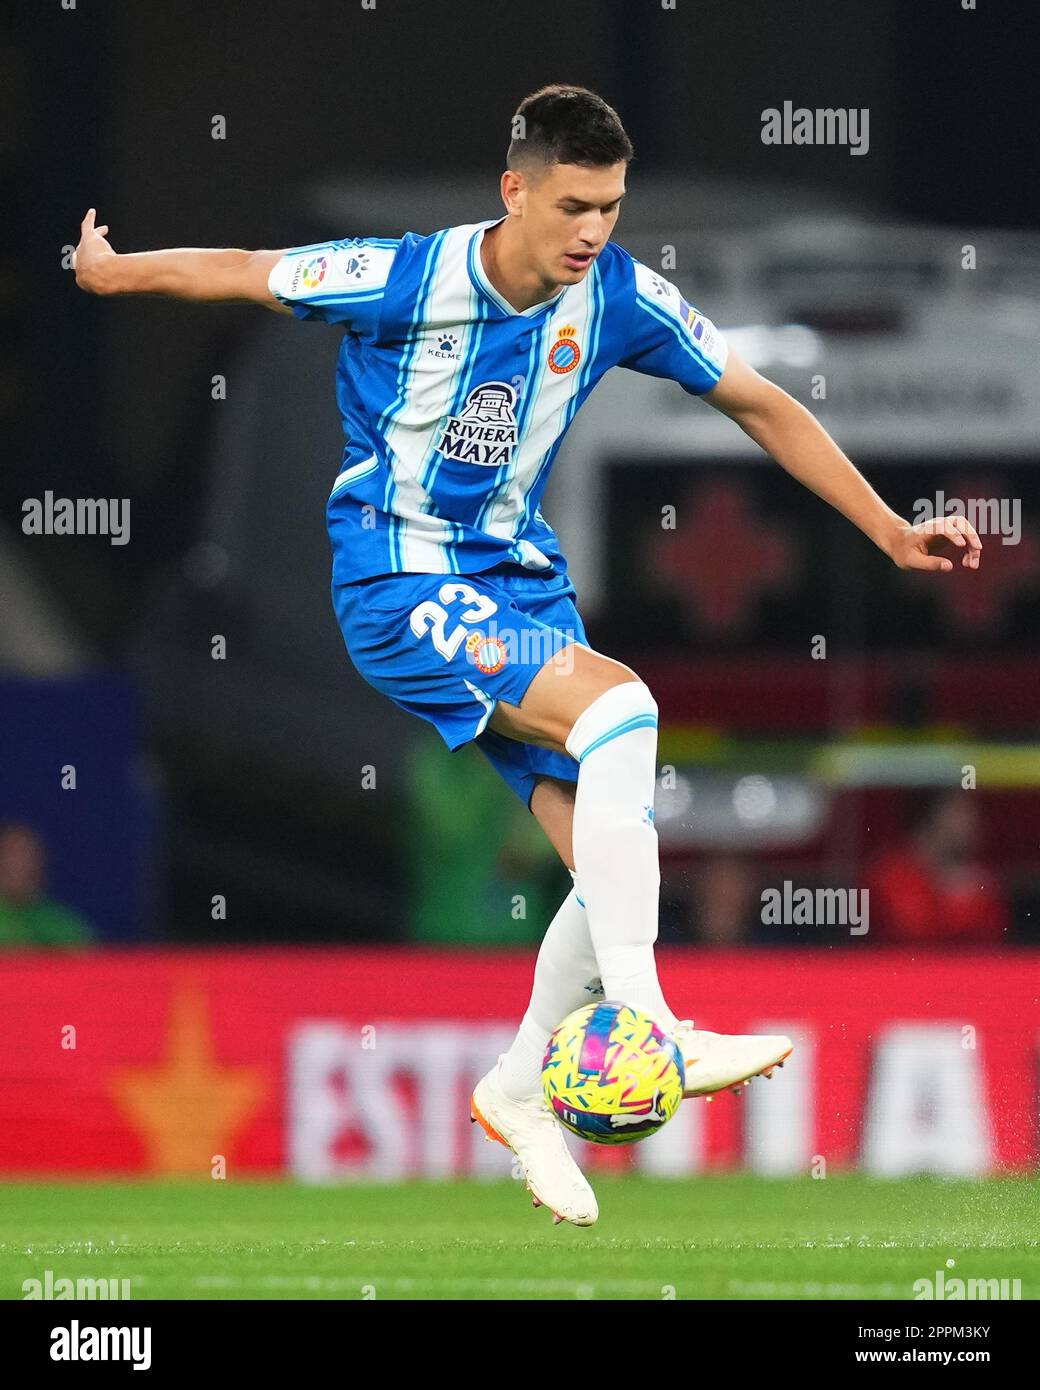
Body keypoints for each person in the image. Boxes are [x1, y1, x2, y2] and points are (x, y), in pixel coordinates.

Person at [72, 84, 981, 1225]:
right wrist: (114, 272)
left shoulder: (615, 297)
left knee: (608, 847)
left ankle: (516, 1086)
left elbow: (757, 401)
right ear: (514, 191)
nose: (591, 230)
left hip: (514, 585)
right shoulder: (407, 276)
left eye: (607, 206)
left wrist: (888, 527)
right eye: (570, 206)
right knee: (623, 712)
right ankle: (650, 1026)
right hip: (401, 584)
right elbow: (249, 269)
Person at [866, 790, 1010, 944]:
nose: (973, 821)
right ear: (931, 815)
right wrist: (956, 905)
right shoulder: (889, 875)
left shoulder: (981, 883)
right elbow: (910, 933)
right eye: (960, 810)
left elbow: (991, 946)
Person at [0, 823, 94, 947]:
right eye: (11, 855)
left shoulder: (62, 923)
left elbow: (88, 959)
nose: (22, 865)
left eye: (29, 855)